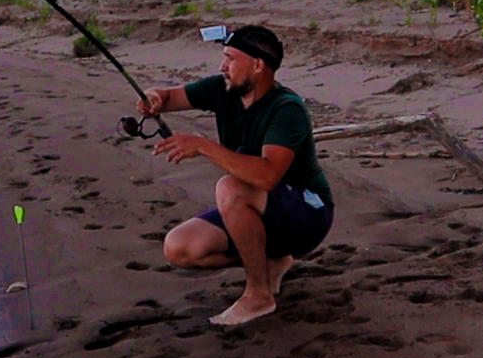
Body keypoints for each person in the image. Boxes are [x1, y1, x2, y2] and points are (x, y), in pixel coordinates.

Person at [138, 25, 335, 326]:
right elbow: (167, 97)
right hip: (261, 210)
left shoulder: (287, 109)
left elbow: (268, 176)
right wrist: (153, 98)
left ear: (258, 65)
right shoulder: (222, 89)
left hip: (309, 214)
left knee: (231, 188)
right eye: (223, 57)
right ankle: (273, 259)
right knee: (179, 247)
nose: (222, 67)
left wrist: (203, 146)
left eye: (230, 58)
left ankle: (258, 296)